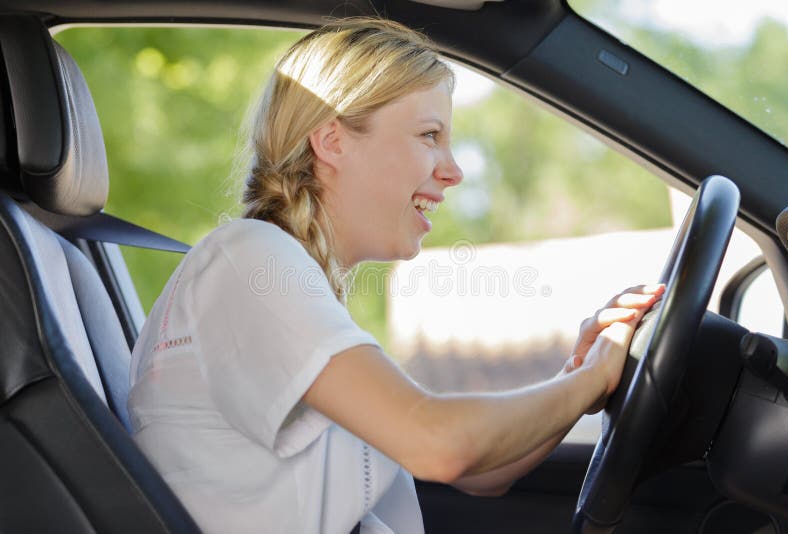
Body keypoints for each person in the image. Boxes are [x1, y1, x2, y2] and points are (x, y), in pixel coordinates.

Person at [127, 17, 664, 534]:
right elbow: (439, 444)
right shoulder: (250, 261)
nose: (454, 170)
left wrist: (578, 373)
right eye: (430, 135)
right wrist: (590, 380)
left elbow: (481, 474)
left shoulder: (279, 279)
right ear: (332, 140)